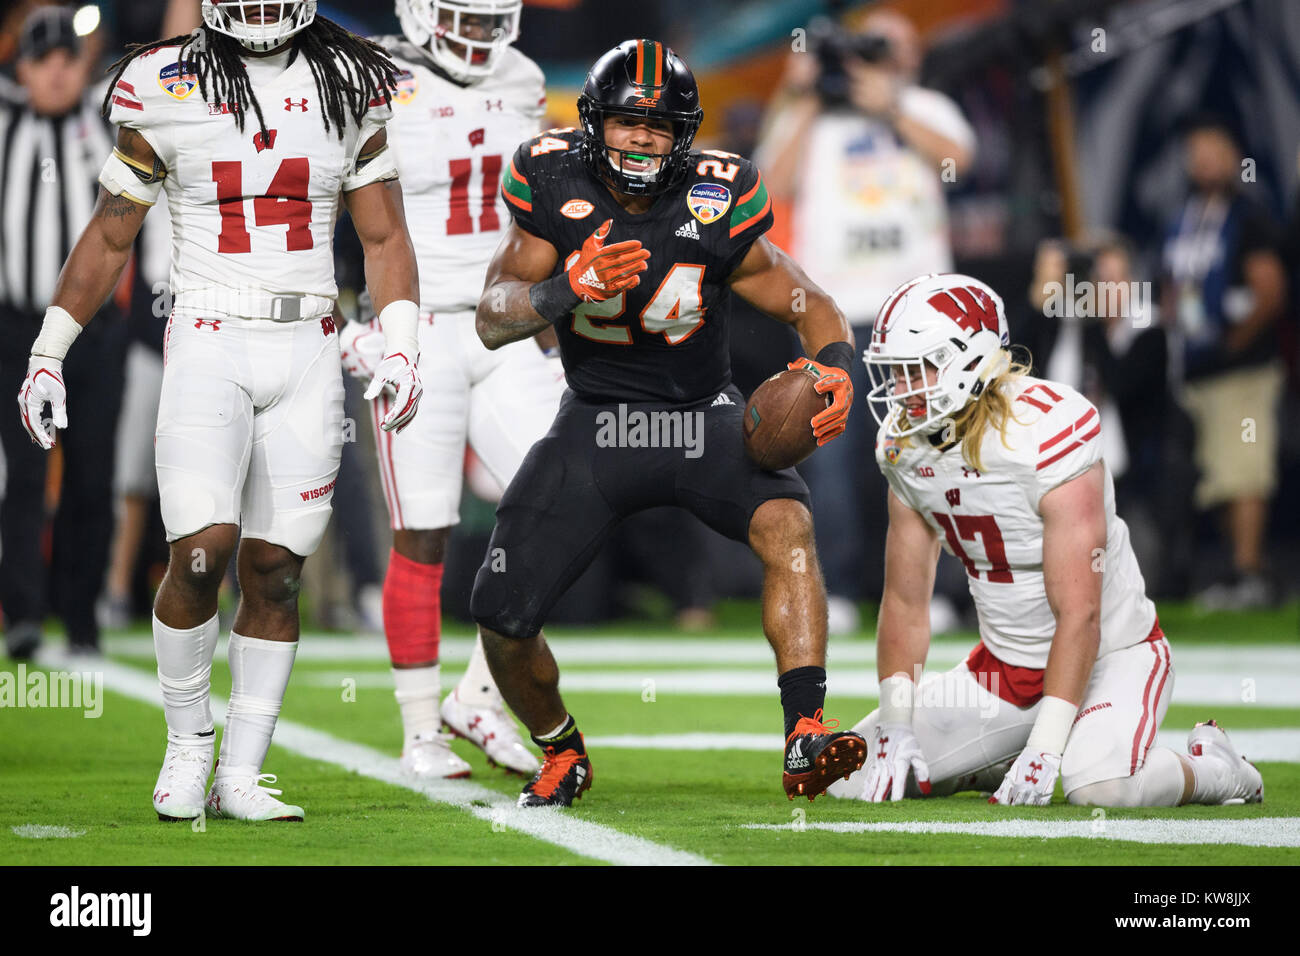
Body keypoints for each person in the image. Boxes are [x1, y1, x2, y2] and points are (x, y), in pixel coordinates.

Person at [18, 0, 423, 823]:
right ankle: (185, 741)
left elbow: (382, 236)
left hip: (307, 338)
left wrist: (404, 340)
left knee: (277, 571)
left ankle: (242, 770)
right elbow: (110, 232)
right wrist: (48, 349)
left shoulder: (352, 79)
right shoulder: (158, 80)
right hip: (207, 331)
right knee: (201, 551)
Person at [471, 39, 867, 807]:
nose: (643, 138)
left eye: (660, 126)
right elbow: (491, 318)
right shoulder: (550, 178)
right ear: (594, 125)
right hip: (599, 423)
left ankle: (805, 732)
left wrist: (838, 368)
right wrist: (563, 290)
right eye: (627, 123)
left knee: (787, 525)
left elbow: (806, 300)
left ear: (685, 133)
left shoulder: (718, 194)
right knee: (501, 616)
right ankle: (560, 749)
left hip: (701, 416)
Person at [828, 274, 1263, 808]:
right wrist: (896, 721)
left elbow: (1079, 611)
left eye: (916, 368)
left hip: (1110, 657)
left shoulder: (1047, 431)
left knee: (1099, 789)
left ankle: (1215, 770)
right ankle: (992, 760)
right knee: (855, 776)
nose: (900, 390)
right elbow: (905, 601)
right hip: (1006, 671)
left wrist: (1049, 746)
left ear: (971, 359)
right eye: (894, 373)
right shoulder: (905, 446)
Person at [337, 0, 559, 779]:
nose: (478, 33)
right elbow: (324, 196)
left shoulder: (525, 77)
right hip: (417, 324)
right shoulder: (370, 73)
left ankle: (478, 696)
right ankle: (420, 727)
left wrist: (550, 310)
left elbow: (538, 207)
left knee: (565, 498)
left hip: (502, 322)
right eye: (462, 17)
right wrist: (348, 320)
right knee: (422, 529)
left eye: (489, 17)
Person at [756, 9, 975, 634]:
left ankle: (942, 591)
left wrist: (890, 108)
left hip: (922, 310)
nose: (875, 59)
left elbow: (960, 160)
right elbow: (770, 187)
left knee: (933, 450)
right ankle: (844, 588)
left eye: (889, 48)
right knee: (832, 457)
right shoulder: (815, 121)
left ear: (911, 57)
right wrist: (799, 95)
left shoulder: (928, 107)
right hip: (837, 310)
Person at [1, 6, 124, 660]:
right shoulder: (5, 123)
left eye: (65, 59)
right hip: (17, 325)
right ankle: (23, 614)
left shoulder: (107, 119)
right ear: (20, 68)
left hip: (97, 331)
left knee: (91, 475)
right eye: (41, 59)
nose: (55, 72)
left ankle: (82, 618)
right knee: (23, 472)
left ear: (82, 64)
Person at [1161, 116, 1287, 610]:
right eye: (1196, 153)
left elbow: (1270, 291)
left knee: (1244, 470)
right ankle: (1235, 573)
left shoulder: (1249, 216)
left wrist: (1234, 344)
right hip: (1196, 367)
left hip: (1242, 369)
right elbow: (1173, 285)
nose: (1204, 162)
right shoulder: (1184, 216)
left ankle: (1249, 573)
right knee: (1216, 474)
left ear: (1235, 157)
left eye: (1213, 151)